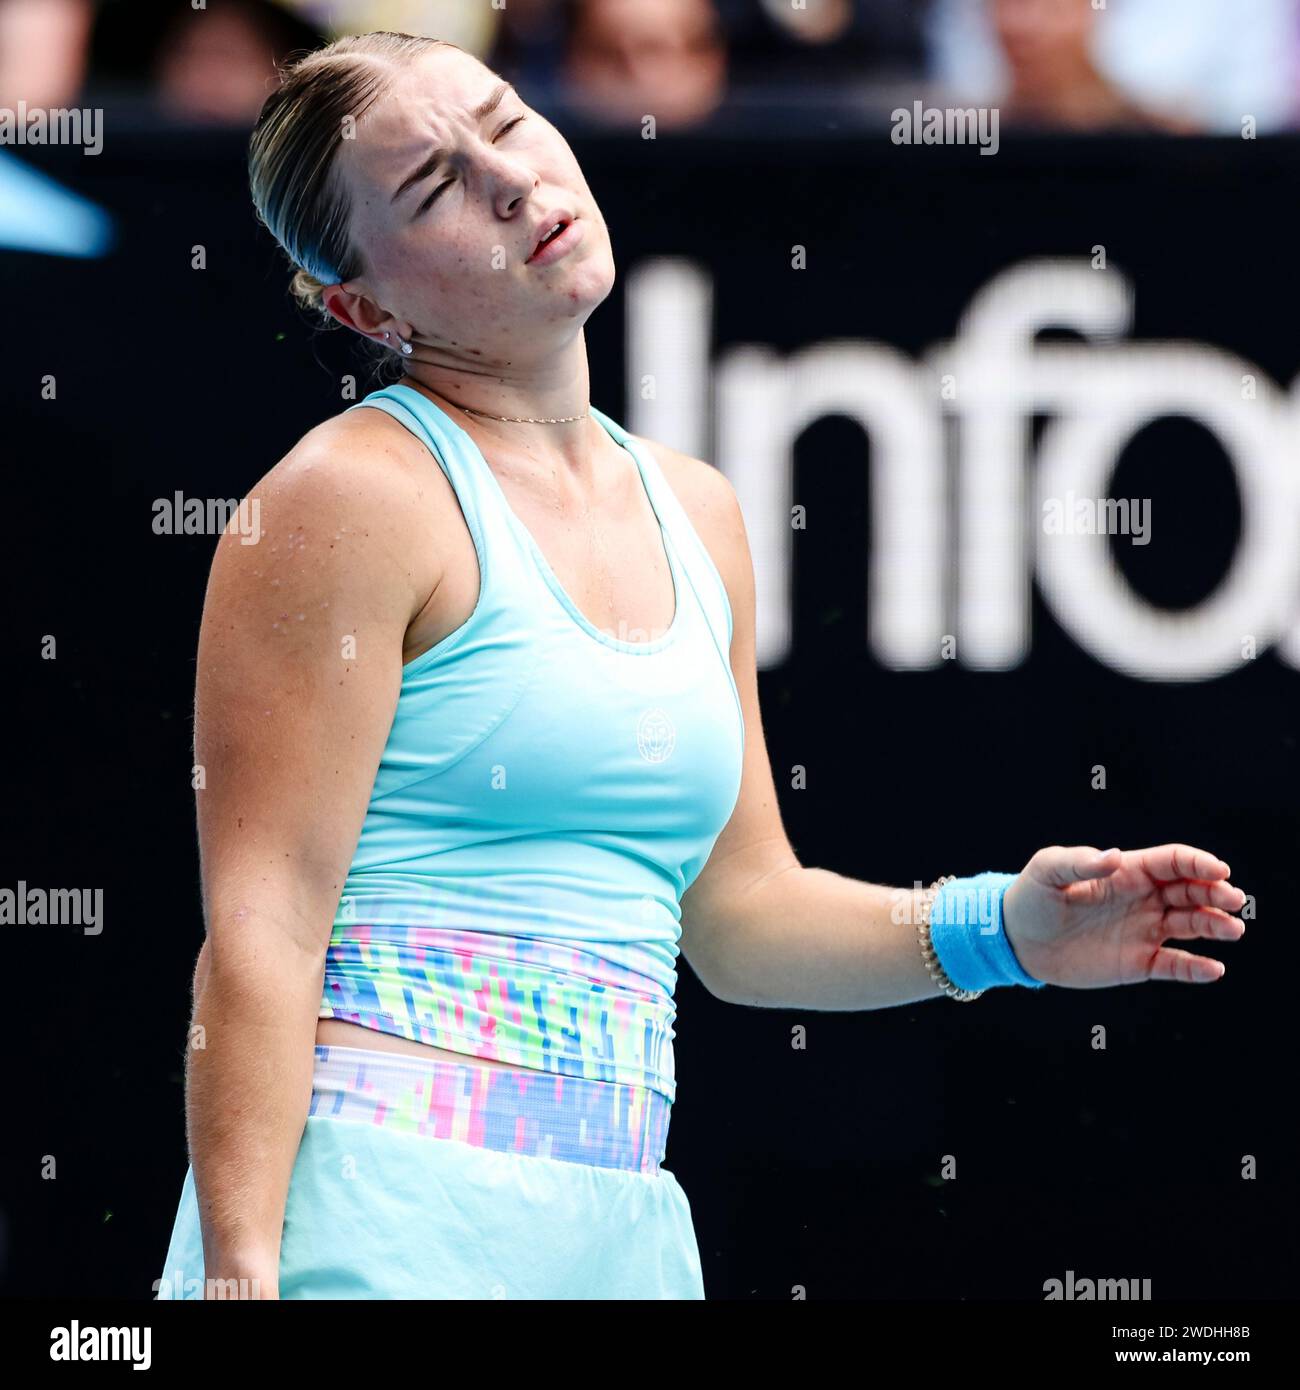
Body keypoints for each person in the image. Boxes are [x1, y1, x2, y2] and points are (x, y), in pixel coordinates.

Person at [156, 31, 1246, 1300]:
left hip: (622, 1237)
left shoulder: (700, 510)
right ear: (363, 308)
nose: (509, 181)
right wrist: (239, 1268)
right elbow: (262, 928)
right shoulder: (345, 499)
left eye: (503, 124)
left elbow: (738, 919)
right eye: (433, 186)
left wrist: (1008, 926)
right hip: (370, 1218)